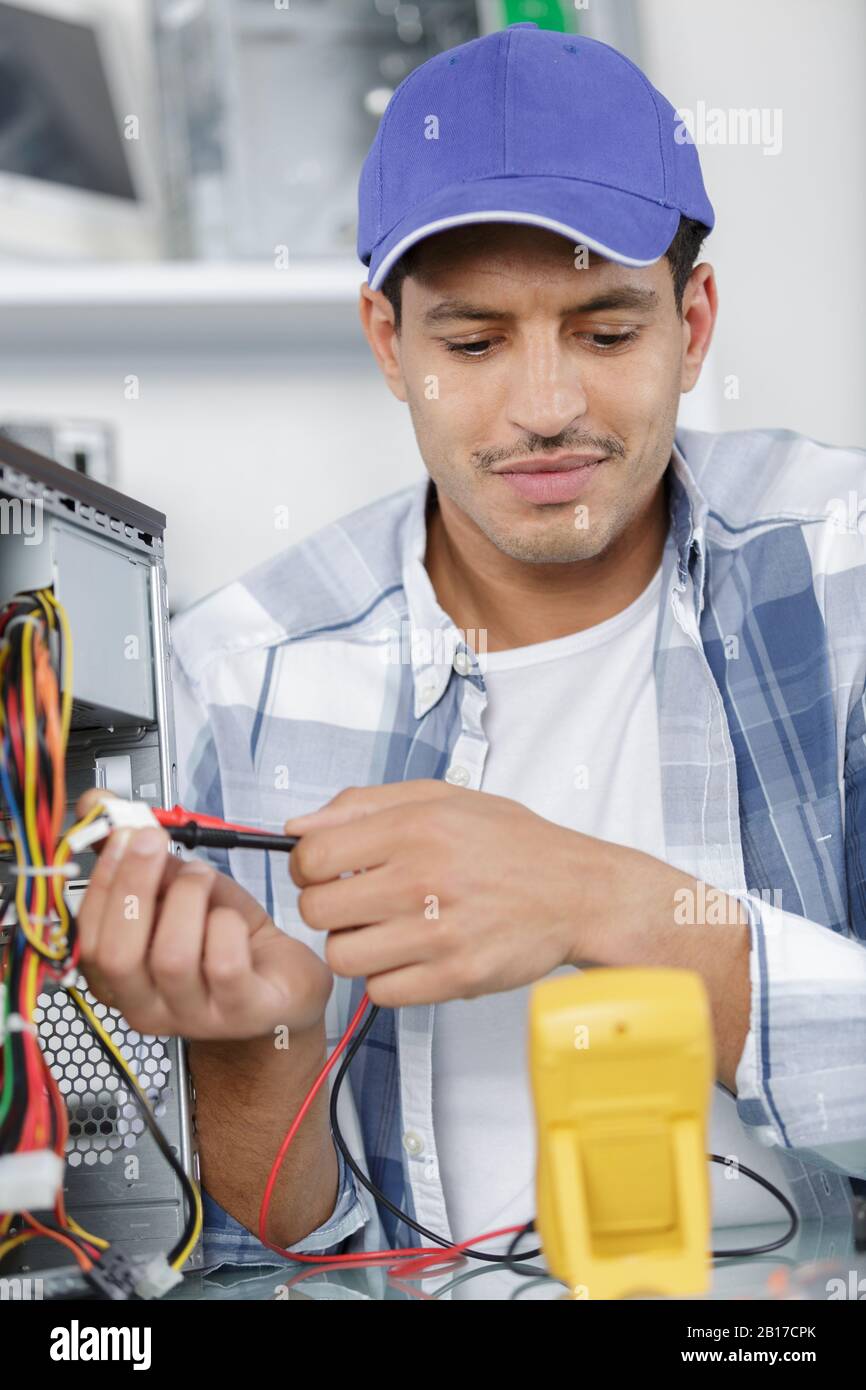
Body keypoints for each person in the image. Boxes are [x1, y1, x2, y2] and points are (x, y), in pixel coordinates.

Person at [76, 24, 866, 1293]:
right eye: (473, 342)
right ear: (388, 344)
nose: (543, 405)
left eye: (605, 333)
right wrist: (254, 1052)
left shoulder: (842, 582)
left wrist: (601, 900)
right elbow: (245, 1267)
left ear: (693, 321)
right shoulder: (230, 680)